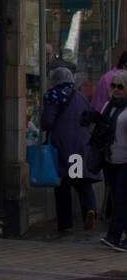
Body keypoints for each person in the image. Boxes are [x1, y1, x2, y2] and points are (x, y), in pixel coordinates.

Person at [41, 67, 98, 233]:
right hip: (81, 145)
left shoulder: (54, 96)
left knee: (63, 185)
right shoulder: (80, 96)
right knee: (80, 180)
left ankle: (66, 224)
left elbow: (47, 123)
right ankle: (90, 209)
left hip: (63, 146)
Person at [99, 69, 127, 251]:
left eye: (120, 87)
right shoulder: (108, 107)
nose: (115, 90)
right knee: (118, 200)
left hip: (125, 162)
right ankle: (116, 236)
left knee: (122, 201)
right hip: (110, 161)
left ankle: (114, 236)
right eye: (113, 85)